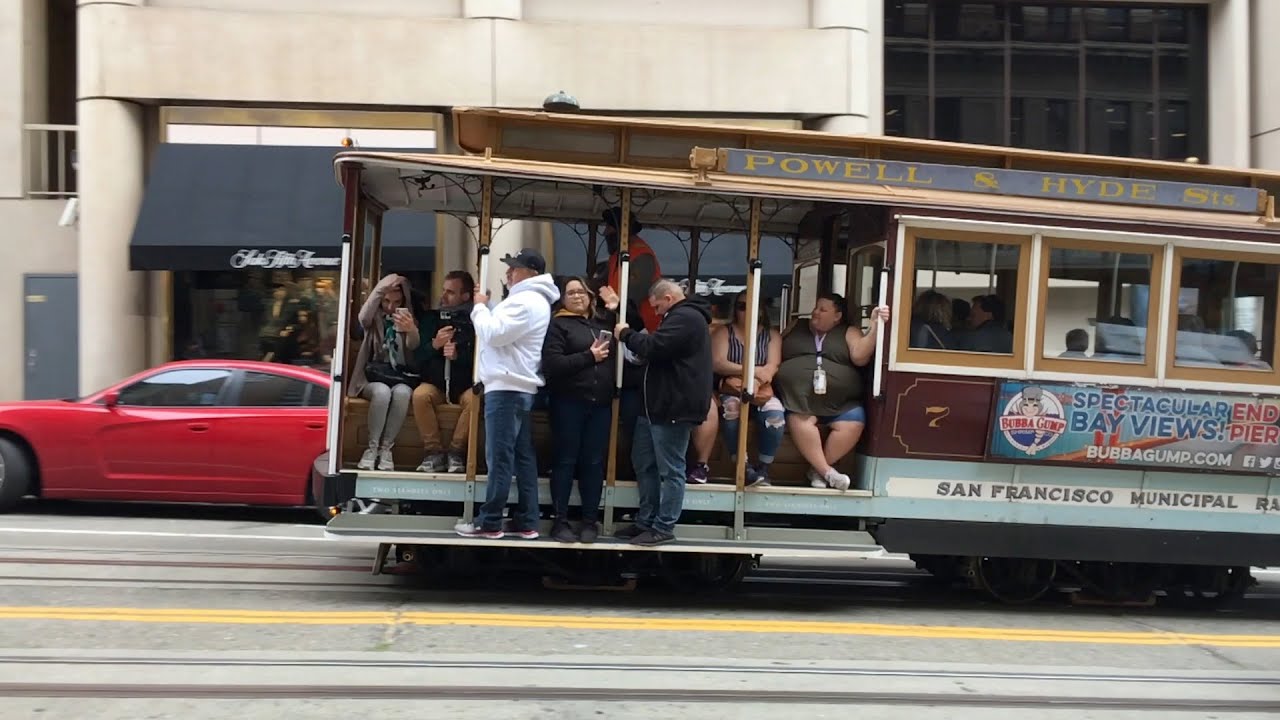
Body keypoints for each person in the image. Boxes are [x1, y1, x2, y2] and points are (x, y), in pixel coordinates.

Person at [454, 248, 560, 540]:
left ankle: (489, 522)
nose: (509, 273)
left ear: (532, 273)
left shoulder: (525, 301)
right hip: (518, 386)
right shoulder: (533, 300)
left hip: (506, 387)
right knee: (522, 457)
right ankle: (527, 521)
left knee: (499, 457)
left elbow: (493, 333)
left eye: (515, 268)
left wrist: (479, 307)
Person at [613, 279, 713, 546]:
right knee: (643, 463)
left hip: (674, 406)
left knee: (671, 469)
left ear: (668, 297)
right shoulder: (681, 316)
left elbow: (654, 347)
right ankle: (646, 521)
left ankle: (663, 526)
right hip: (657, 406)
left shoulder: (687, 317)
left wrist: (625, 334)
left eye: (656, 306)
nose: (655, 311)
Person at [776, 293, 889, 491]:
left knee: (854, 421)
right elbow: (776, 345)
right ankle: (828, 473)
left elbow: (860, 358)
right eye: (816, 307)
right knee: (800, 419)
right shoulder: (796, 325)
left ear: (837, 316)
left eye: (823, 309)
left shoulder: (848, 331)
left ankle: (819, 470)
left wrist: (875, 327)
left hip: (839, 401)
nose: (815, 312)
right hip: (799, 400)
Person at [541, 277, 622, 544]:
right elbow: (552, 365)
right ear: (562, 299)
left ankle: (590, 521)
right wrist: (589, 357)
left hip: (600, 404)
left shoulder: (603, 322)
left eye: (581, 292)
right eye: (570, 293)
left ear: (590, 296)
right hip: (568, 401)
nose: (576, 296)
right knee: (565, 461)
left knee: (593, 462)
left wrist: (615, 306)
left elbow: (635, 327)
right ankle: (560, 521)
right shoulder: (557, 325)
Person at [711, 290, 784, 487]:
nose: (747, 310)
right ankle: (741, 466)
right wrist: (752, 371)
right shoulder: (723, 332)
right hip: (732, 388)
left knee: (775, 416)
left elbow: (771, 367)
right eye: (742, 306)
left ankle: (763, 467)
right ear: (735, 310)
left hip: (762, 388)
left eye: (752, 306)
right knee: (732, 410)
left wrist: (755, 378)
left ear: (761, 310)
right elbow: (718, 363)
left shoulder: (772, 335)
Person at [348, 274, 421, 471]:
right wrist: (381, 288)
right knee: (382, 393)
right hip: (372, 377)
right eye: (386, 301)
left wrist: (411, 330)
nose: (390, 307)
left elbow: (414, 347)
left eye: (397, 302)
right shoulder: (374, 318)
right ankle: (371, 449)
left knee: (403, 393)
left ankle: (386, 449)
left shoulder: (408, 319)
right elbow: (362, 318)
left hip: (400, 376)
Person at [411, 270, 478, 474]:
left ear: (465, 296)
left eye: (450, 292)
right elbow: (418, 358)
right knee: (421, 395)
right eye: (444, 290)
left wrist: (459, 356)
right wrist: (434, 344)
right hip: (437, 383)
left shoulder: (475, 320)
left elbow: (482, 357)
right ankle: (433, 453)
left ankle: (456, 452)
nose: (444, 296)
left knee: (476, 398)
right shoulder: (431, 319)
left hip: (465, 383)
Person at [598, 207, 662, 333]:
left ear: (620, 231)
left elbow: (632, 299)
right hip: (622, 322)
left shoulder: (642, 255)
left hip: (644, 327)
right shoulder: (616, 256)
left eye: (609, 227)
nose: (605, 233)